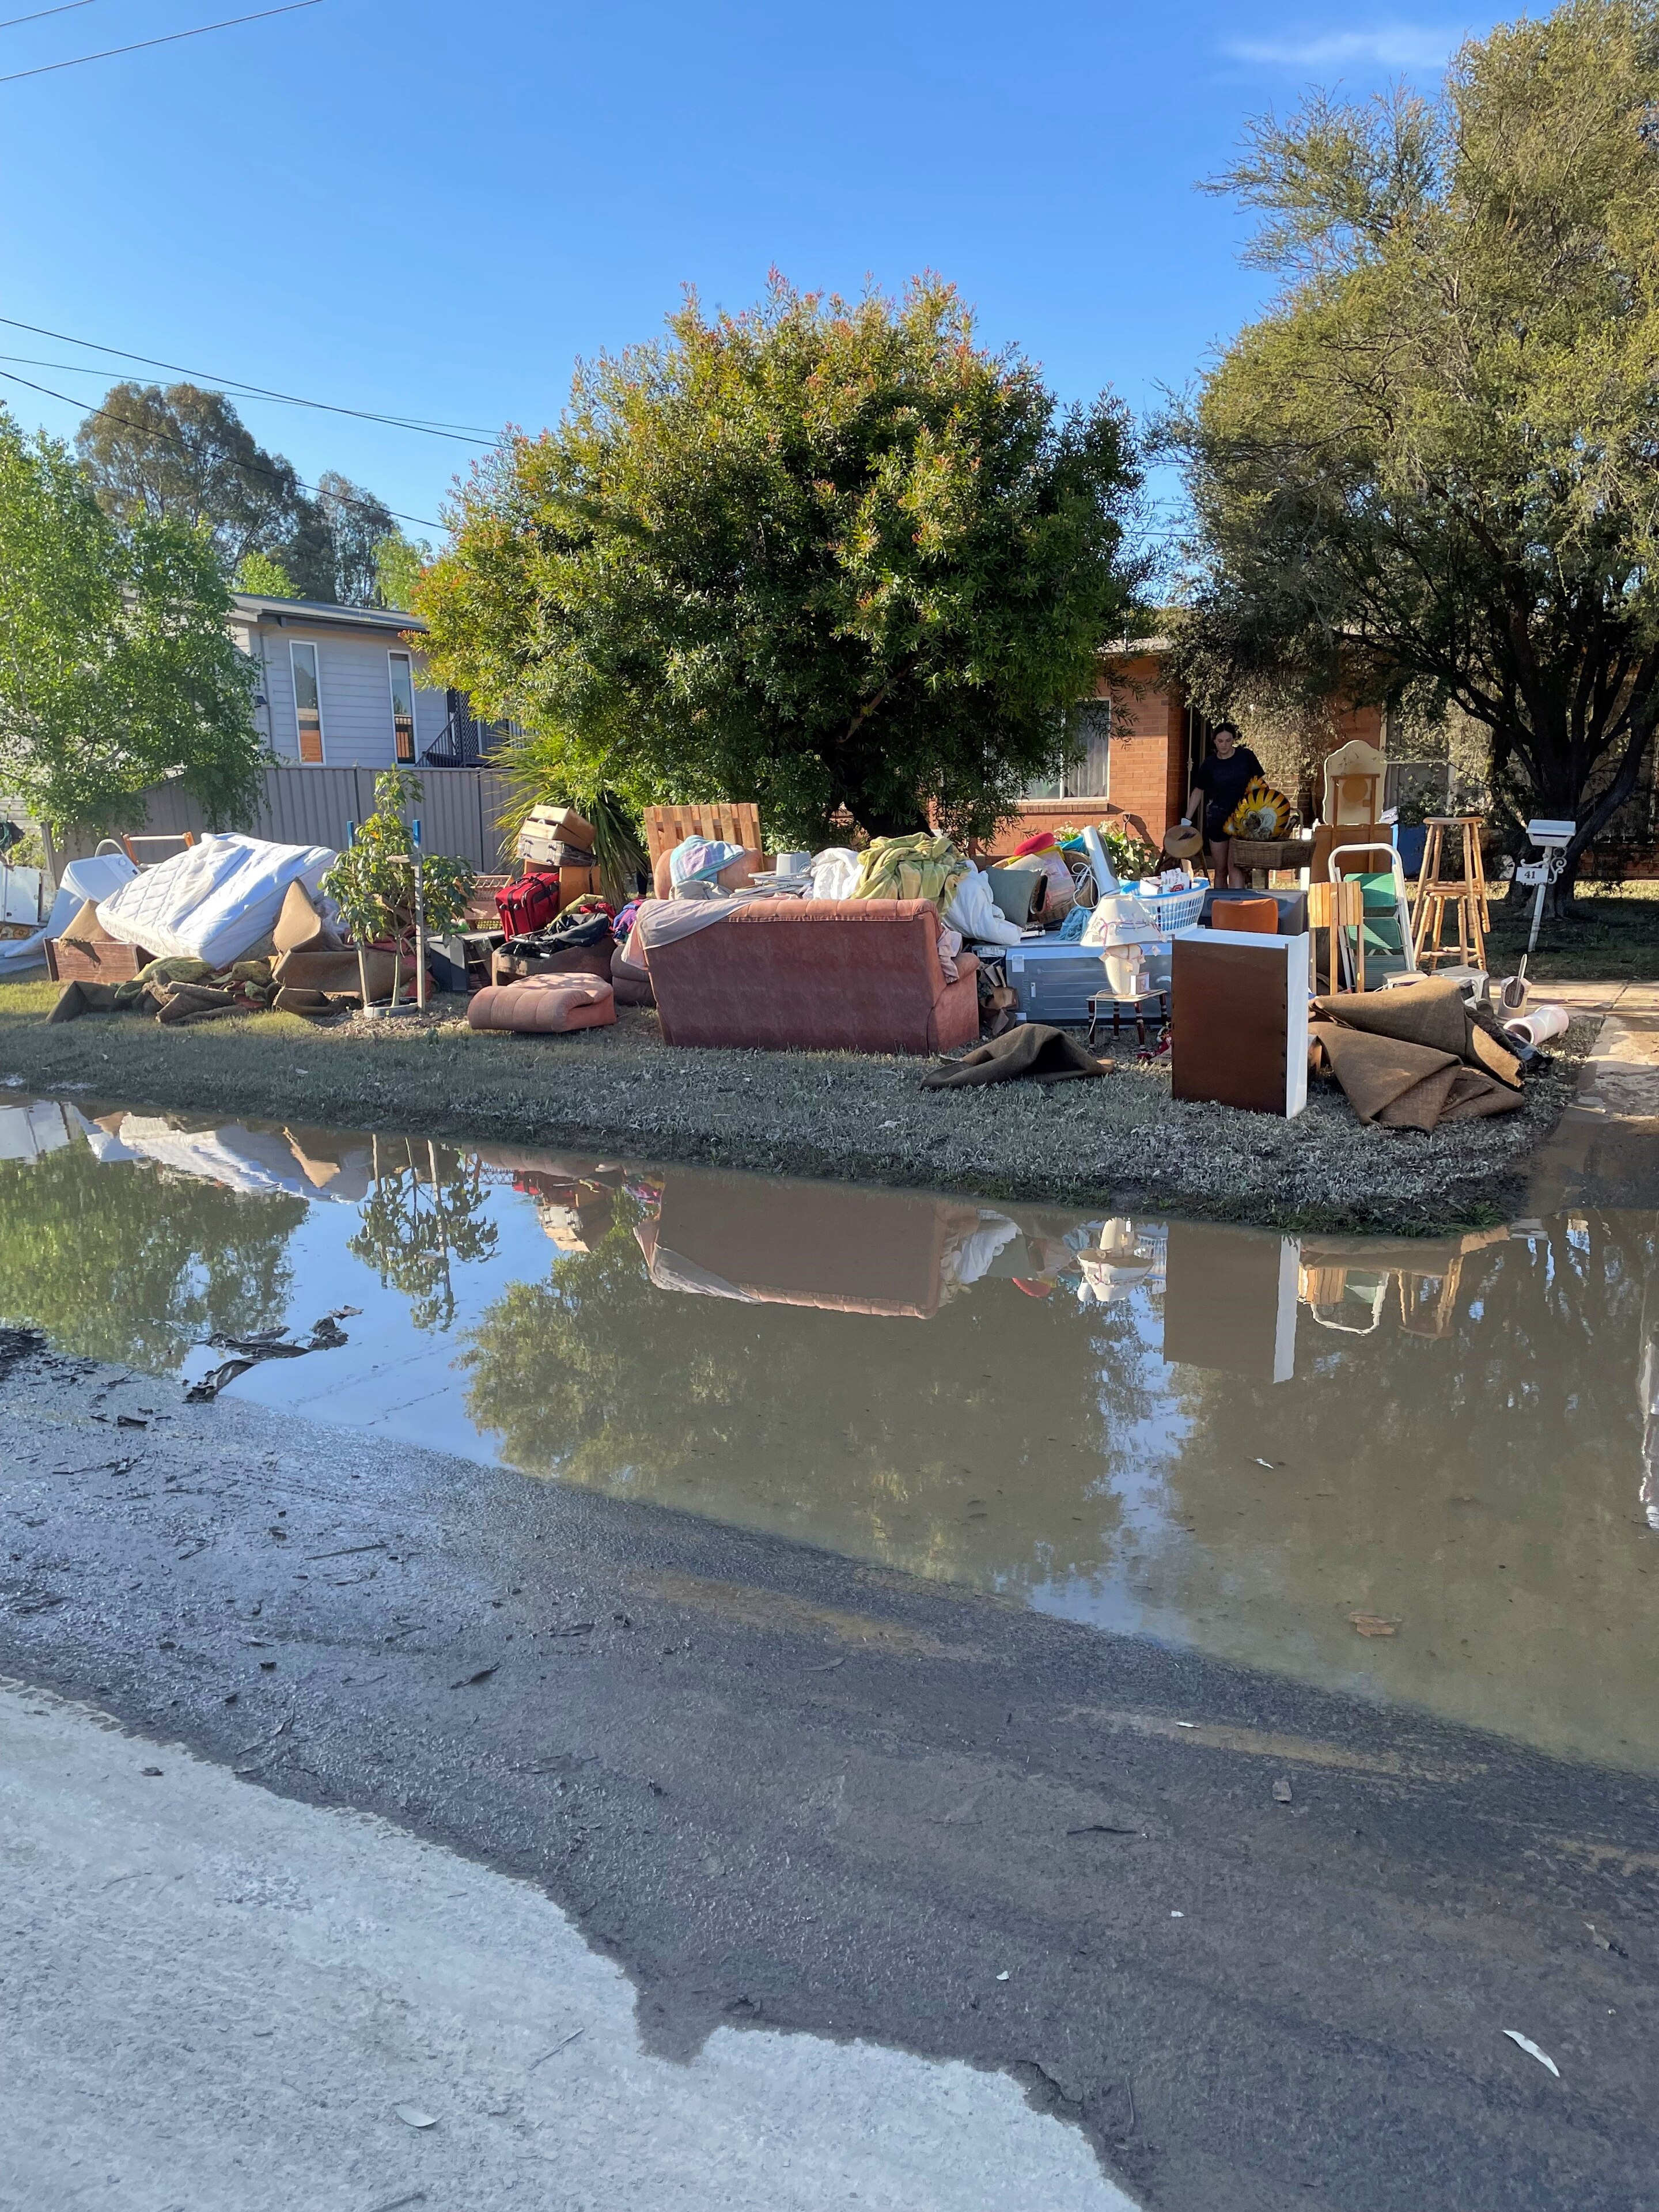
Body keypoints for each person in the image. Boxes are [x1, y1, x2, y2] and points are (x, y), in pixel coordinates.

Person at [1184, 722, 1264, 889]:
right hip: (1216, 820)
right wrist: (1187, 819)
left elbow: (1260, 785)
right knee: (1220, 870)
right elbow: (1198, 792)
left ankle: (1237, 907)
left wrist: (1264, 808)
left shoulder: (1246, 757)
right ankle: (1220, 908)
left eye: (1228, 741)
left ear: (1234, 740)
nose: (1224, 745)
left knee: (1235, 866)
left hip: (1243, 820)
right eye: (1220, 741)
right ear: (1214, 742)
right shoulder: (1209, 765)